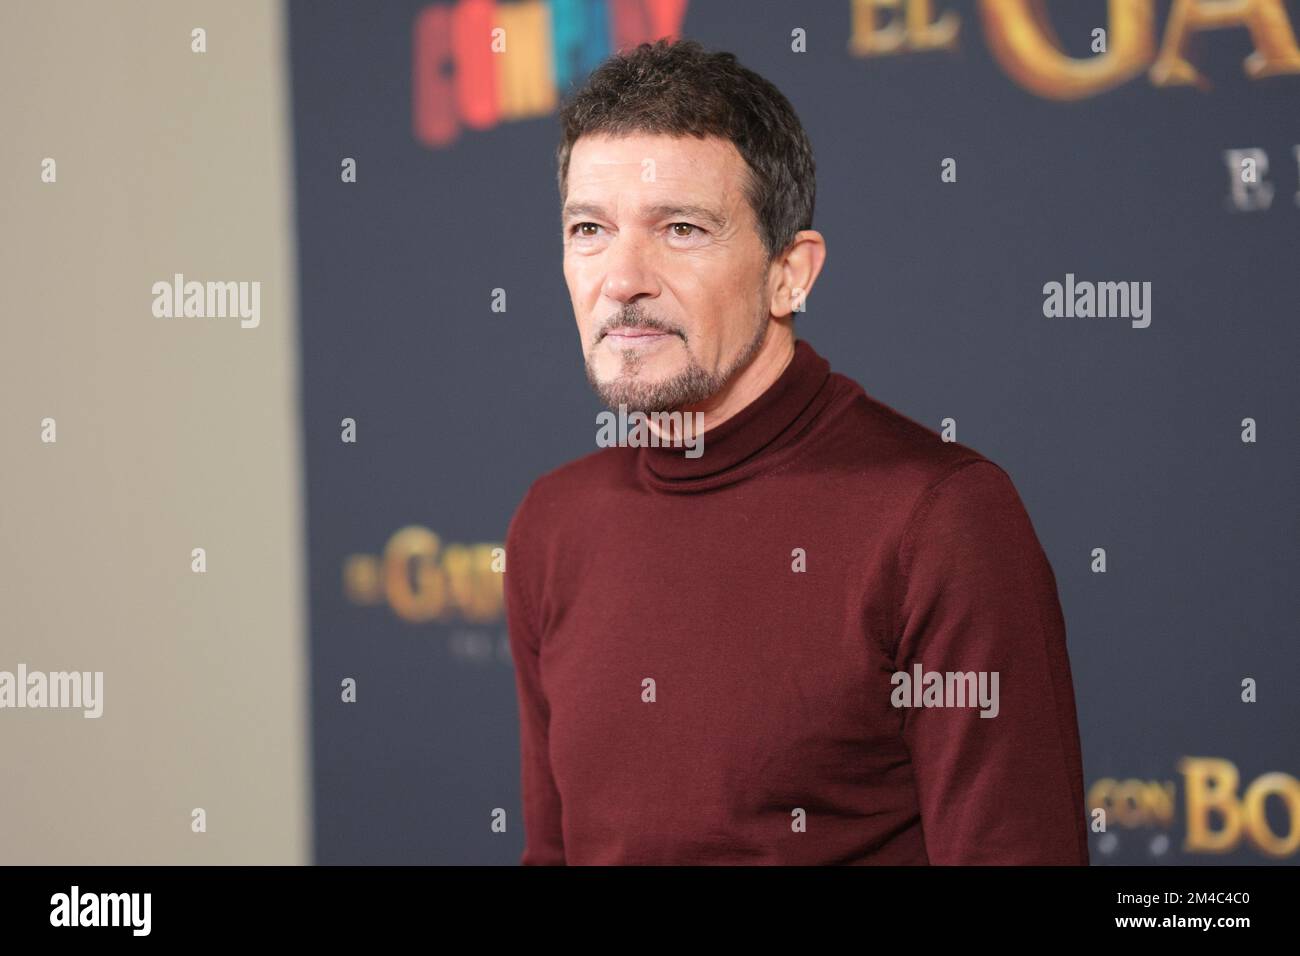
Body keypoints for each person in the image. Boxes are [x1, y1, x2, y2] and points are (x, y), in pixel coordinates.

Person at [504, 37, 1089, 865]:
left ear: (791, 274)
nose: (623, 277)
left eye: (681, 228)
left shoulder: (941, 519)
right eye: (590, 228)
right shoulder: (554, 522)